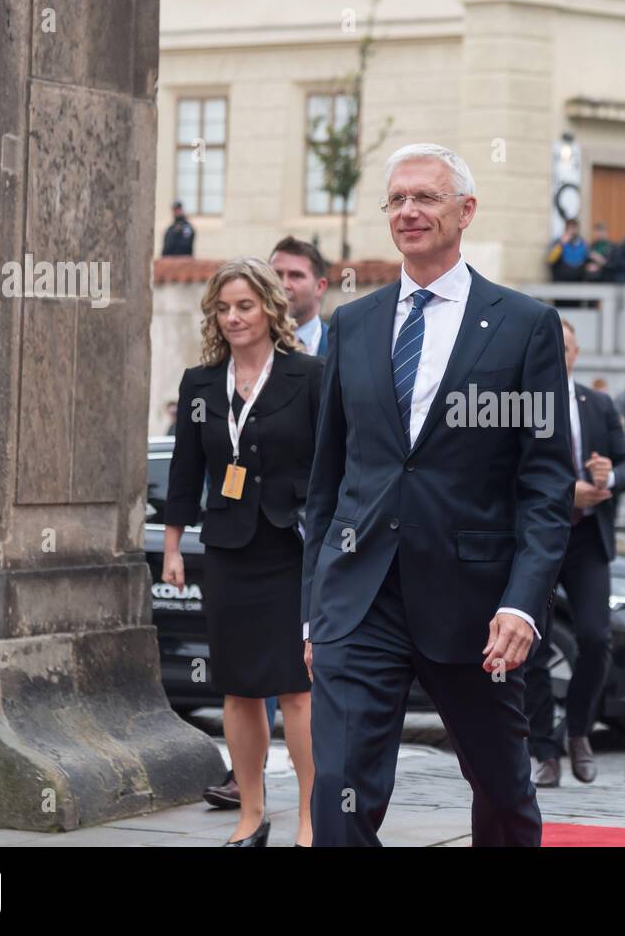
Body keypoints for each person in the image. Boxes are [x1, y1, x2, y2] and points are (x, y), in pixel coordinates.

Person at [301, 144, 574, 847]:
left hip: (475, 604)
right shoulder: (353, 326)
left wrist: (521, 600)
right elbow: (327, 478)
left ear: (465, 211)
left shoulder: (522, 325)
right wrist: (315, 606)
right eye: (396, 199)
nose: (409, 211)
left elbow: (545, 481)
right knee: (338, 792)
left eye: (425, 197)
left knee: (503, 788)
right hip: (359, 598)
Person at [163, 257, 323, 847]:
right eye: (223, 308)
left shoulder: (310, 376)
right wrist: (174, 546)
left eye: (245, 305)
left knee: (296, 688)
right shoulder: (200, 385)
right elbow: (185, 470)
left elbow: (333, 465)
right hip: (228, 549)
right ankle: (251, 814)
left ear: (269, 308)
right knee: (237, 687)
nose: (233, 317)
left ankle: (312, 816)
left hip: (292, 549)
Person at [528, 320, 625, 788]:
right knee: (532, 647)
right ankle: (543, 750)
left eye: (566, 347)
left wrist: (607, 478)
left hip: (587, 541)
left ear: (576, 352)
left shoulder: (599, 404)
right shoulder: (522, 407)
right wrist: (564, 493)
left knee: (595, 639)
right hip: (537, 541)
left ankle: (578, 731)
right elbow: (507, 476)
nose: (559, 355)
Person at [270, 236, 329, 356]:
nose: (284, 285)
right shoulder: (248, 346)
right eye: (276, 274)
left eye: (296, 275)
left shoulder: (344, 349)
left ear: (319, 287)